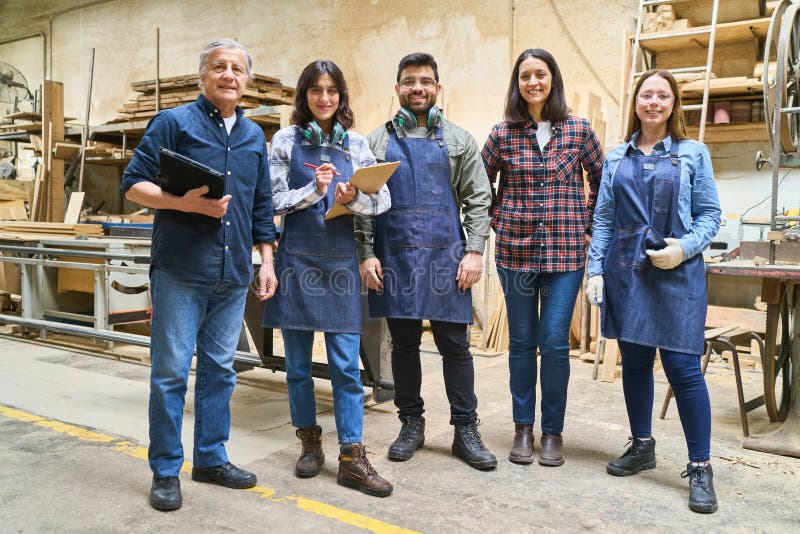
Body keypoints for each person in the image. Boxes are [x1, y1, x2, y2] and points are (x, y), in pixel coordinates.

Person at [121, 39, 277, 512]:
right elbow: (132, 185)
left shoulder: (254, 137)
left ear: (246, 80)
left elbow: (262, 206)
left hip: (232, 273)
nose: (229, 75)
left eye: (237, 69)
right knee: (170, 374)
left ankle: (210, 458)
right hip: (181, 270)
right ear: (202, 76)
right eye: (219, 67)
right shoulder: (173, 123)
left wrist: (266, 260)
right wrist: (180, 203)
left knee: (220, 372)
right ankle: (166, 469)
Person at [585, 69, 721, 513]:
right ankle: (642, 446)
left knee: (683, 368)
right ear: (636, 102)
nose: (654, 102)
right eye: (647, 95)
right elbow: (604, 218)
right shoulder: (615, 157)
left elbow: (710, 216)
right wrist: (596, 271)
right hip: (627, 271)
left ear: (673, 104)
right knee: (637, 362)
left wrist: (683, 248)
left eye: (663, 95)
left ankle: (700, 466)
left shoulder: (693, 154)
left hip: (677, 273)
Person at [356, 52, 496, 470]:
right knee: (403, 343)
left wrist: (474, 251)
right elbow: (363, 204)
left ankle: (465, 429)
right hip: (394, 254)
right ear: (397, 89)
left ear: (438, 88)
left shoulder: (459, 140)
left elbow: (478, 199)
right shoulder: (376, 142)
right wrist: (366, 255)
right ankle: (411, 423)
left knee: (455, 345)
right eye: (409, 81)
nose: (417, 88)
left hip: (446, 257)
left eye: (425, 81)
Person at [262, 60, 393, 497]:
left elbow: (383, 201)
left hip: (339, 264)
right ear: (304, 95)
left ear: (341, 96)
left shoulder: (356, 143)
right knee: (297, 367)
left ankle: (352, 457)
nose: (324, 98)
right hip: (296, 262)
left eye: (332, 90)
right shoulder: (283, 140)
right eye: (316, 90)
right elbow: (272, 201)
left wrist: (353, 198)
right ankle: (310, 444)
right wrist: (314, 192)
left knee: (345, 367)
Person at [481, 48, 604, 467]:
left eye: (540, 74)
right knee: (520, 342)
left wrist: (585, 226)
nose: (532, 82)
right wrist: (499, 217)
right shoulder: (502, 134)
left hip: (565, 256)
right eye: (525, 76)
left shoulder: (579, 131)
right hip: (514, 254)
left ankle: (552, 432)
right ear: (517, 84)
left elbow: (601, 181)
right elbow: (480, 186)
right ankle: (522, 429)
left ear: (553, 79)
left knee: (552, 343)